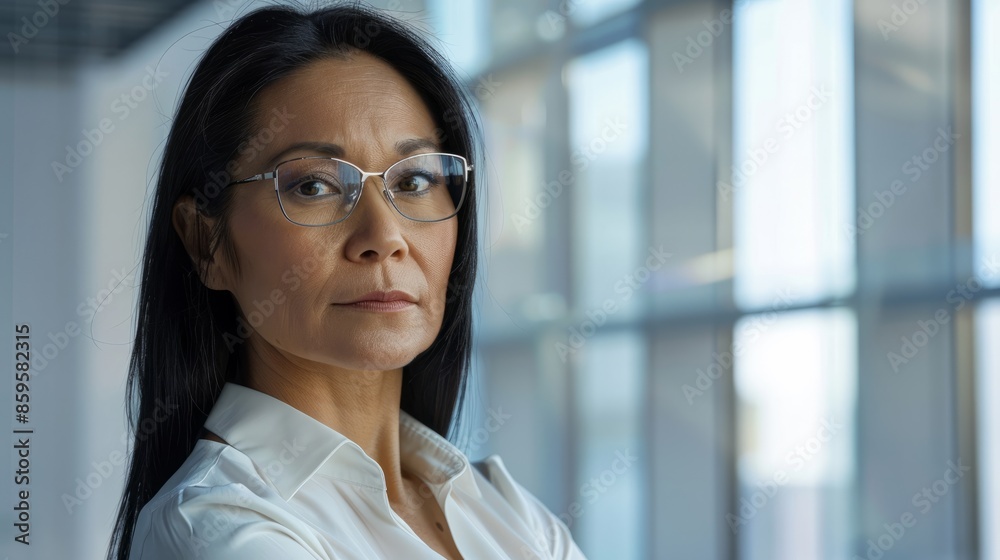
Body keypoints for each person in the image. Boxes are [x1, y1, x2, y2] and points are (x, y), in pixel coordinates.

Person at [108, 3, 587, 560]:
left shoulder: (510, 514)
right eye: (313, 186)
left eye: (414, 180)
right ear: (204, 242)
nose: (384, 236)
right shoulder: (219, 528)